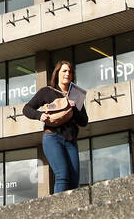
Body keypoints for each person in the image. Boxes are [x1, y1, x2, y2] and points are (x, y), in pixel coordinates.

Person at [22, 60, 89, 193]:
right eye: (64, 71)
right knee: (62, 175)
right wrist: (39, 115)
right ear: (57, 73)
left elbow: (84, 121)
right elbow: (27, 109)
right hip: (52, 137)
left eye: (70, 71)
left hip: (71, 141)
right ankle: (58, 212)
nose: (67, 74)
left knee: (74, 179)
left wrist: (74, 107)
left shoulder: (76, 95)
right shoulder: (47, 92)